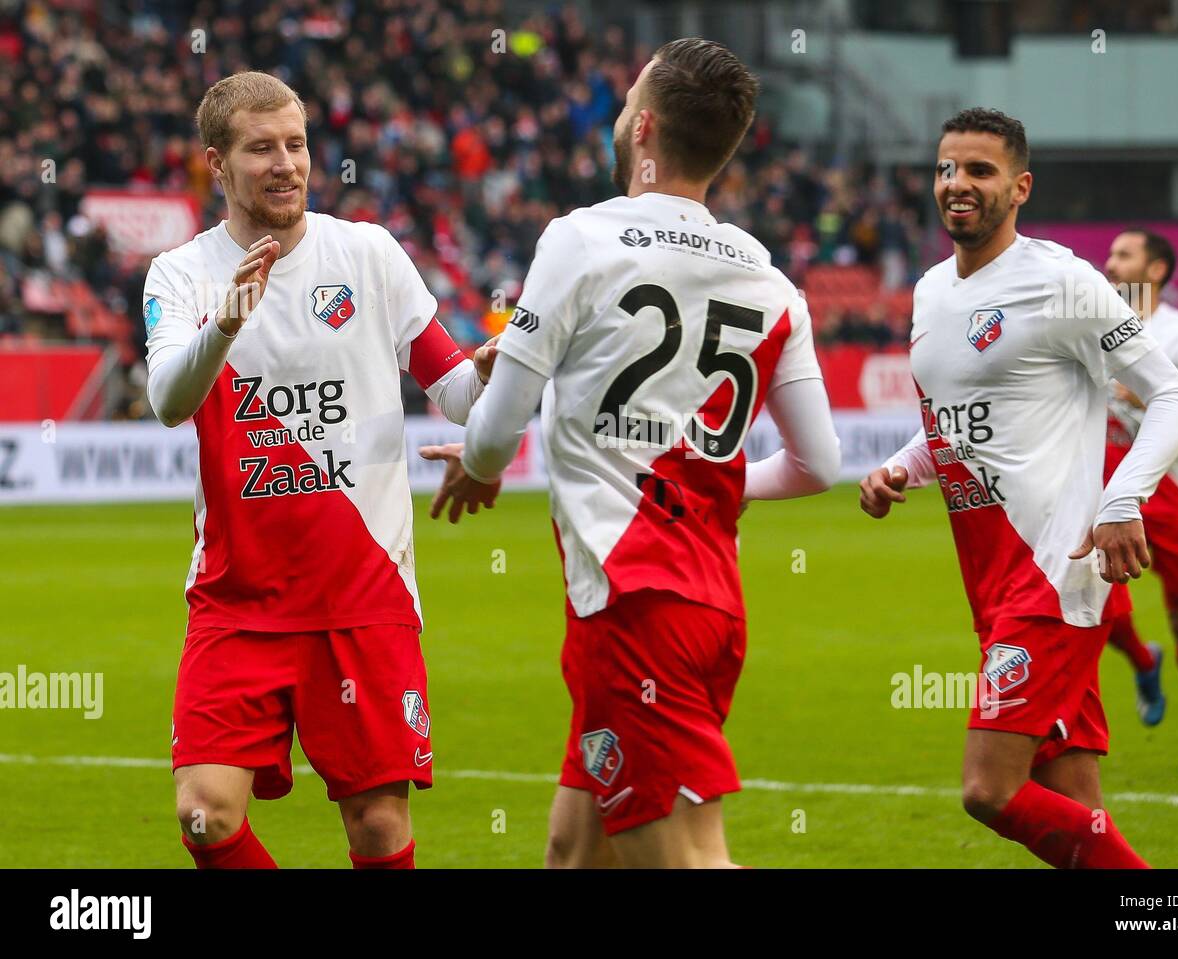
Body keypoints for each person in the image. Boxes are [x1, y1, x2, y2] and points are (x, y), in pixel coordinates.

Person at [423, 39, 840, 868]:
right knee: (574, 852)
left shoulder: (580, 239)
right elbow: (818, 463)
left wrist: (479, 458)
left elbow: (503, 424)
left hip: (635, 599)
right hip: (708, 601)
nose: (618, 113)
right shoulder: (769, 278)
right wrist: (712, 478)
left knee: (683, 858)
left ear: (642, 126)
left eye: (624, 102)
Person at [144, 71, 495, 868]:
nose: (285, 163)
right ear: (217, 165)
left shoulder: (368, 253)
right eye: (260, 148)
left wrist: (500, 371)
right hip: (238, 601)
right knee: (205, 814)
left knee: (377, 827)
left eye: (296, 144)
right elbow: (169, 398)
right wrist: (223, 326)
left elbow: (459, 393)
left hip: (361, 595)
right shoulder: (181, 274)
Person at [859, 108, 1178, 868]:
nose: (958, 185)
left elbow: (1172, 396)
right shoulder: (928, 292)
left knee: (989, 788)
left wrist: (1120, 501)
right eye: (947, 168)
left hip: (1053, 577)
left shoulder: (1062, 281)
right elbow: (953, 420)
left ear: (1019, 187)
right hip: (990, 584)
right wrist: (900, 469)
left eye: (979, 171)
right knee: (1080, 810)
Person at [1102, 228, 1178, 772]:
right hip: (1103, 490)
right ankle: (1140, 661)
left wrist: (1149, 396)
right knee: (1089, 601)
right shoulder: (1090, 325)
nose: (1109, 262)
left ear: (1156, 271)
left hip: (1171, 495)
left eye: (1123, 255)